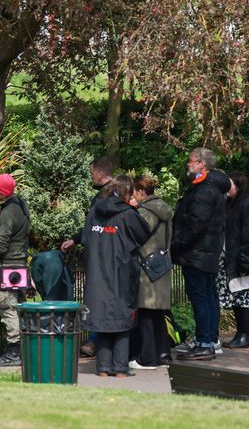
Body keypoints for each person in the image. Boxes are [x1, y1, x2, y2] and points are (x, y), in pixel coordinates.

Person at [82, 175, 151, 377]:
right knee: (121, 321)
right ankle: (120, 368)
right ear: (127, 193)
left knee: (102, 320)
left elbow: (86, 238)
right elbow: (144, 235)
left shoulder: (95, 212)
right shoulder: (128, 214)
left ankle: (103, 368)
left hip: (97, 274)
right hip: (122, 274)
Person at [171, 147, 230, 361]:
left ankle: (205, 342)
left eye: (191, 161)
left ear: (201, 164)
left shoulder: (205, 190)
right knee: (208, 296)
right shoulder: (213, 187)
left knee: (201, 298)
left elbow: (196, 224)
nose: (188, 164)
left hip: (197, 252)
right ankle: (209, 339)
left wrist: (176, 245)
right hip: (206, 252)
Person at [60, 157, 115, 357]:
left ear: (100, 173)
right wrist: (76, 239)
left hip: (102, 257)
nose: (91, 176)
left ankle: (96, 340)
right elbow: (91, 225)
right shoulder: (102, 195)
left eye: (92, 173)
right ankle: (96, 339)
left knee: (98, 298)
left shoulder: (108, 196)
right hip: (99, 254)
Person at [129, 174, 174, 370]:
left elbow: (136, 237)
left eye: (134, 192)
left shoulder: (145, 212)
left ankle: (146, 358)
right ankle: (162, 355)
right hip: (162, 264)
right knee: (159, 313)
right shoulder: (165, 210)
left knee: (145, 312)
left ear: (140, 192)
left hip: (146, 265)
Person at [0, 173, 30, 368]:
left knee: (7, 307)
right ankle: (23, 349)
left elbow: (2, 241)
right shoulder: (19, 206)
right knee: (19, 306)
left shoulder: (8, 212)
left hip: (8, 264)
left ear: (0, 192)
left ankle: (14, 351)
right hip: (19, 263)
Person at [220, 172, 249, 350]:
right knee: (237, 298)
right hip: (230, 260)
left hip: (240, 261)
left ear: (237, 186)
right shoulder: (230, 204)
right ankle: (241, 334)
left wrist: (247, 262)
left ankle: (244, 335)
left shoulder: (247, 205)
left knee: (242, 298)